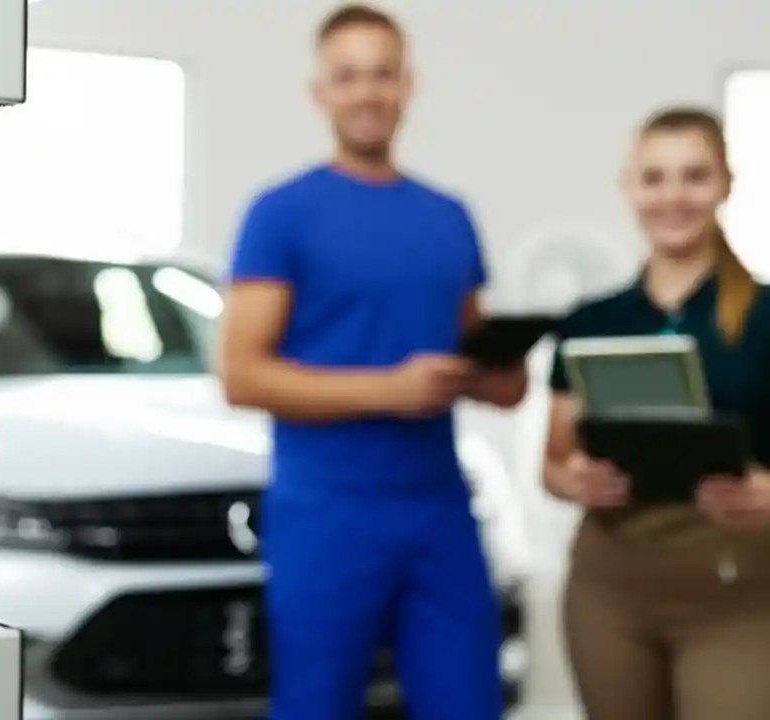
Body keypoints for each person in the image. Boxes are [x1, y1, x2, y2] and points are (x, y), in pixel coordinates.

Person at [216, 5, 526, 719]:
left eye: (382, 74)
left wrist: (493, 376)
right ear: (320, 92)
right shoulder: (281, 214)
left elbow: (489, 375)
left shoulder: (449, 216)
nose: (368, 92)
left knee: (469, 705)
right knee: (316, 707)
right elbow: (242, 374)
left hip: (441, 509)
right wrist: (391, 389)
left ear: (407, 85)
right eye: (348, 76)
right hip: (327, 513)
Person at [545, 108, 770, 720]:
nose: (673, 196)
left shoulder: (764, 316)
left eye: (694, 176)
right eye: (654, 178)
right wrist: (575, 479)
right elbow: (555, 462)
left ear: (726, 184)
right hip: (610, 586)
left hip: (737, 583)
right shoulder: (592, 321)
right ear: (629, 189)